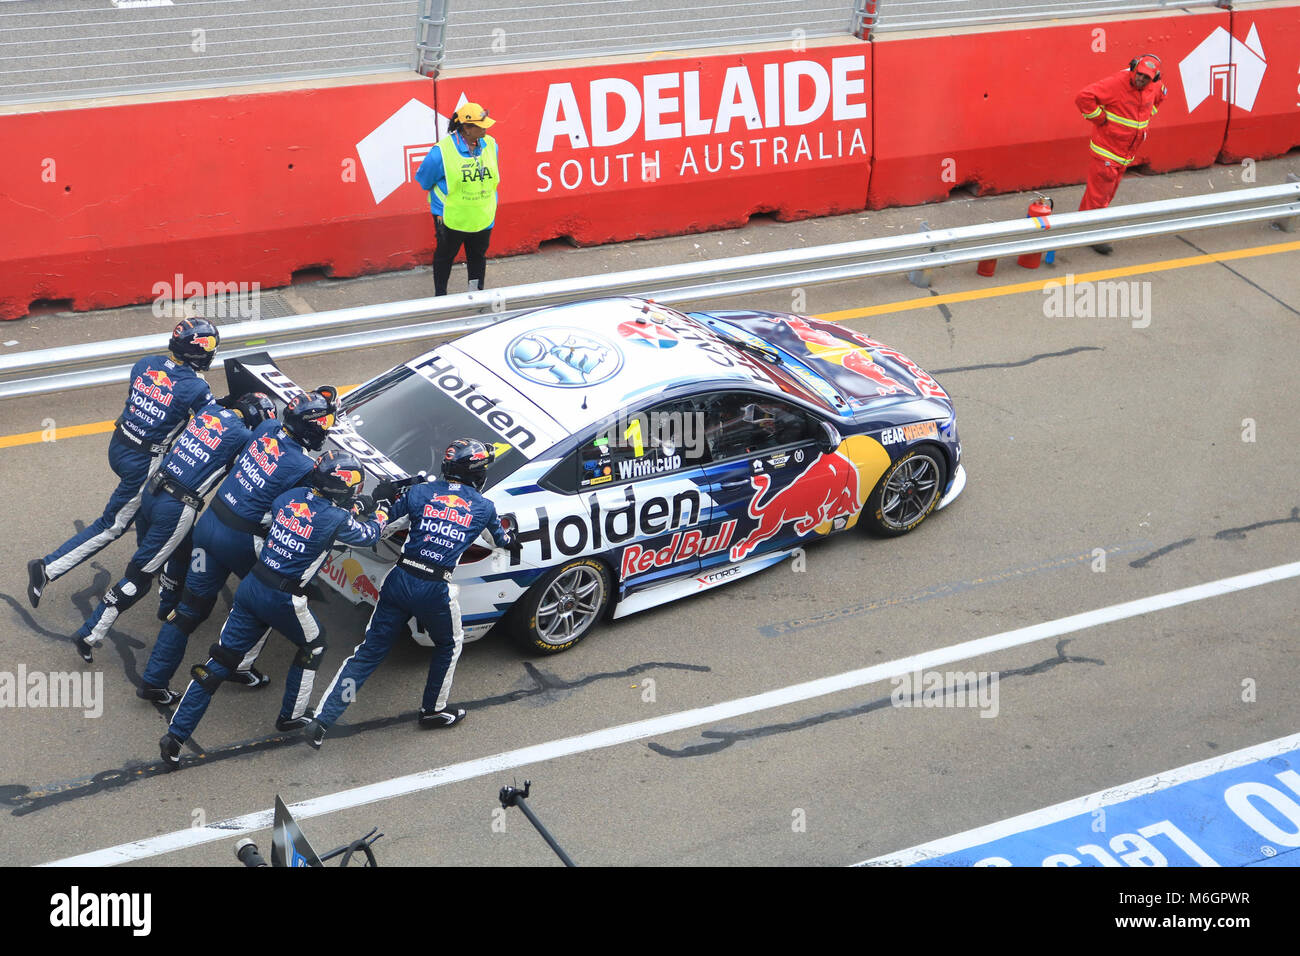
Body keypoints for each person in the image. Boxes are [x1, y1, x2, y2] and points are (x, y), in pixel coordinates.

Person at [159, 451, 389, 768]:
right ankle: (291, 716)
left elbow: (319, 513)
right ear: (343, 488)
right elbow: (368, 534)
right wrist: (384, 508)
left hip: (252, 586)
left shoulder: (290, 497)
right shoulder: (335, 519)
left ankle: (175, 736)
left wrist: (358, 506)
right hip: (284, 597)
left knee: (219, 662)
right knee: (315, 644)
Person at [304, 438, 518, 750]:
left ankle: (322, 721)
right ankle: (432, 710)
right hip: (434, 589)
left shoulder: (418, 492)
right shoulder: (484, 507)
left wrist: (378, 503)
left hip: (400, 578)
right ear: (477, 473)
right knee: (449, 644)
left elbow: (384, 527)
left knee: (367, 653)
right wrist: (513, 540)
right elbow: (500, 539)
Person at [139, 388, 337, 699]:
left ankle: (154, 680)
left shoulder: (267, 428)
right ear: (309, 426)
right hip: (240, 539)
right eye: (324, 424)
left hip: (208, 525)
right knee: (268, 597)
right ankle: (236, 665)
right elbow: (316, 504)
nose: (325, 430)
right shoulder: (303, 467)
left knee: (190, 609)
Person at [72, 392, 278, 672]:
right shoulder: (243, 436)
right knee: (139, 575)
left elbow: (221, 401)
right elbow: (267, 454)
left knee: (184, 549)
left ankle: (167, 604)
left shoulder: (208, 412)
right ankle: (89, 633)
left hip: (153, 490)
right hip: (178, 505)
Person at [28, 318, 219, 608]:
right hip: (144, 461)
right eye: (209, 346)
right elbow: (215, 424)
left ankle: (153, 556)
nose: (212, 351)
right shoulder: (195, 388)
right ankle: (47, 567)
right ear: (198, 351)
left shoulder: (146, 363)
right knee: (112, 526)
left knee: (148, 505)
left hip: (118, 446)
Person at [1075, 53, 1168, 254]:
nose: (1141, 80)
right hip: (1107, 151)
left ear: (1155, 77)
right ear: (1134, 68)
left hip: (1124, 153)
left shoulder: (1155, 86)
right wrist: (1100, 120)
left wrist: (1143, 121)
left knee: (1103, 194)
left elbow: (1159, 97)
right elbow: (1084, 97)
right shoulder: (1117, 84)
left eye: (1147, 78)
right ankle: (1092, 233)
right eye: (1140, 75)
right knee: (1100, 195)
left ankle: (1082, 223)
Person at [415, 102, 500, 296]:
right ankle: (441, 298)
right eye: (481, 125)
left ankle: (475, 295)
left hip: (482, 216)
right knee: (445, 258)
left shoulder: (491, 145)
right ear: (467, 128)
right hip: (450, 219)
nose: (486, 128)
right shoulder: (441, 152)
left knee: (477, 257)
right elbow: (424, 180)